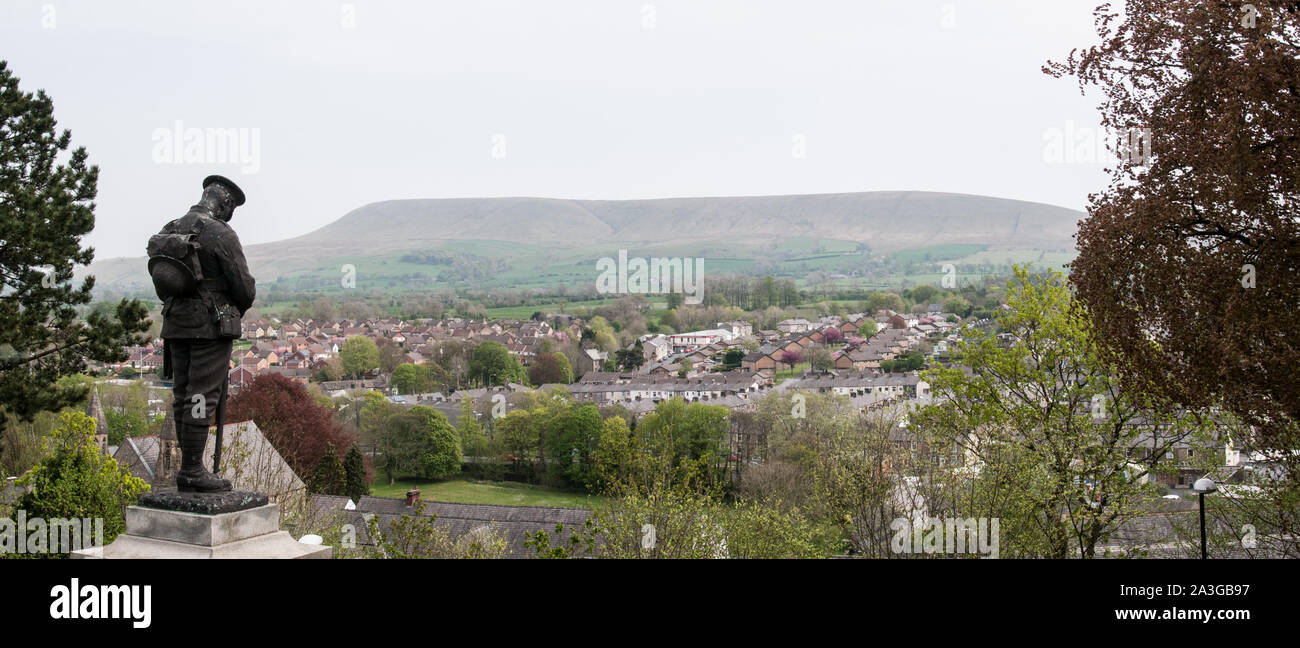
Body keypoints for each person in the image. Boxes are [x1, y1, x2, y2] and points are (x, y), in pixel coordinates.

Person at [150, 175, 256, 492]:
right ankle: (193, 470)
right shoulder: (220, 233)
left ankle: (188, 467)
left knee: (183, 394)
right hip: (208, 326)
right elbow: (244, 287)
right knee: (201, 396)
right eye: (230, 208)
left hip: (175, 324)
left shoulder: (171, 227)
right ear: (224, 204)